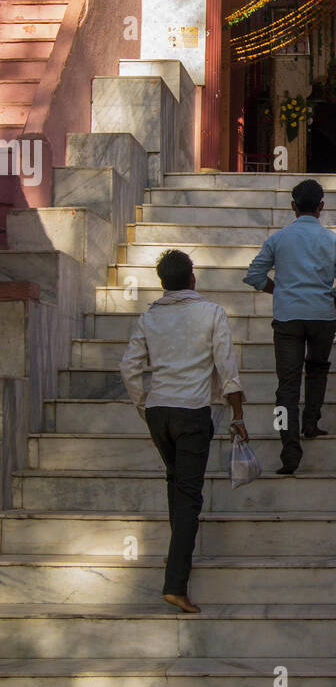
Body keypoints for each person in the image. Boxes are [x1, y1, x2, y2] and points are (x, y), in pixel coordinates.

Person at [119, 249, 247, 615]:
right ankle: (175, 584)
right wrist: (238, 415)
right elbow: (227, 366)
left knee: (176, 483)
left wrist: (145, 406)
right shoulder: (212, 313)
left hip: (159, 411)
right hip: (192, 412)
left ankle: (176, 557)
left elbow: (129, 368)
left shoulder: (149, 318)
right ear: (193, 278)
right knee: (189, 494)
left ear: (163, 282)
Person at [243, 178, 336, 475]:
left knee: (286, 388)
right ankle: (311, 422)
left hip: (287, 319)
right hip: (322, 317)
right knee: (318, 369)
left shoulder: (278, 239)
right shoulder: (334, 241)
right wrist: (327, 303)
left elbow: (254, 275)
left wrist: (278, 291)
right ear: (321, 207)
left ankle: (288, 448)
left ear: (293, 207)